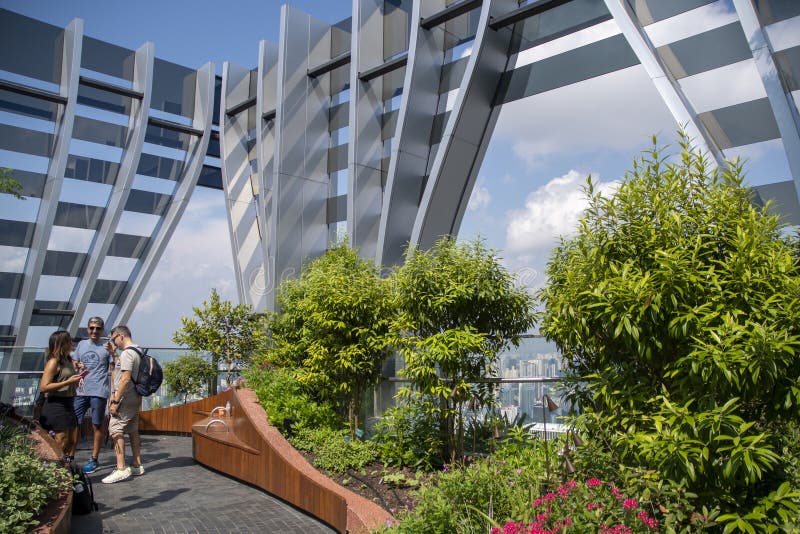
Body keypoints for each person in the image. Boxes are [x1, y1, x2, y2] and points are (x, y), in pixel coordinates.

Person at [69, 316, 115, 474]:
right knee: (74, 423)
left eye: (98, 328)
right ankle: (70, 457)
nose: (94, 331)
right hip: (81, 391)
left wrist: (114, 392)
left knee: (97, 424)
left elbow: (114, 367)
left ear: (102, 330)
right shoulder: (81, 344)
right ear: (87, 329)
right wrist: (77, 365)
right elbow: (74, 361)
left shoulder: (107, 346)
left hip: (99, 391)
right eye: (92, 328)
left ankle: (94, 458)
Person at [102, 325, 145, 484]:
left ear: (121, 336)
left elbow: (125, 379)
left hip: (125, 399)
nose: (114, 342)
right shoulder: (138, 350)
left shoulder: (127, 353)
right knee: (133, 430)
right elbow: (122, 368)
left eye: (114, 339)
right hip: (135, 398)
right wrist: (113, 354)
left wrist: (115, 401)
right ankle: (136, 464)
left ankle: (121, 468)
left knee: (115, 430)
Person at [39, 330, 82, 460]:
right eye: (69, 341)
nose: (71, 343)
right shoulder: (53, 362)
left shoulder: (68, 360)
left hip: (69, 403)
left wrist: (75, 381)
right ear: (62, 343)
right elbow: (44, 387)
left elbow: (66, 379)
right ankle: (56, 470)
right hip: (56, 404)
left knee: (72, 440)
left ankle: (64, 469)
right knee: (61, 441)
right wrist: (68, 381)